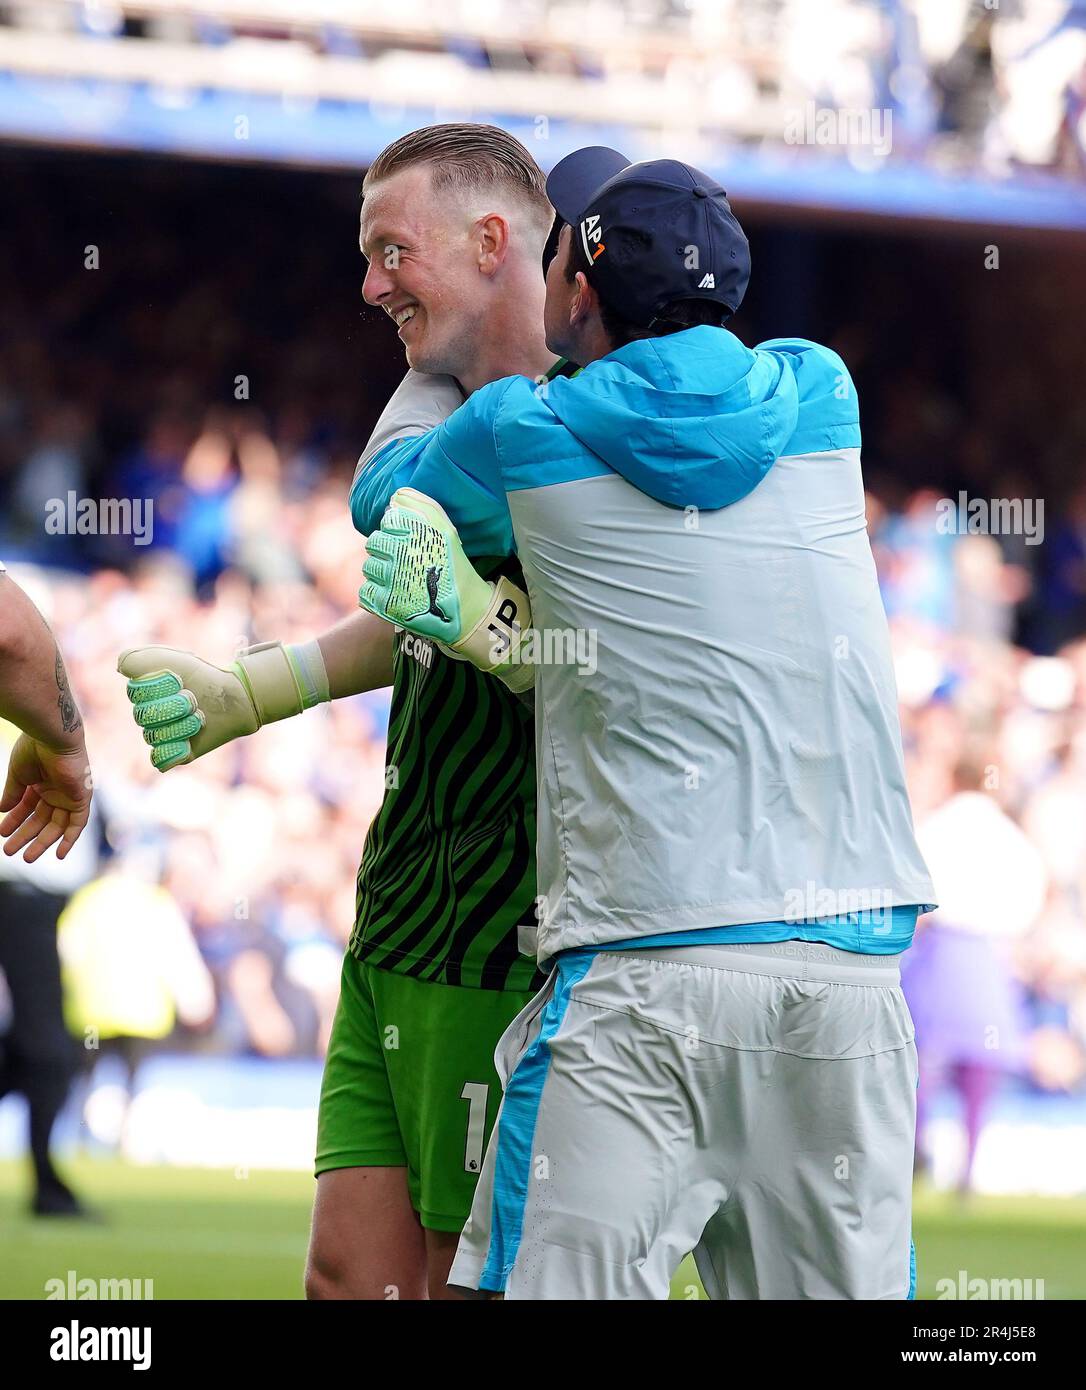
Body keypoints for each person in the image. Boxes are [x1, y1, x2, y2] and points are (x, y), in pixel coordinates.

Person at [357, 147, 937, 1299]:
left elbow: (387, 503)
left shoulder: (525, 428)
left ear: (575, 289)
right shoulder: (822, 395)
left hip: (646, 969)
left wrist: (440, 355)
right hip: (853, 974)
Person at [118, 124, 563, 1299]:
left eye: (390, 251)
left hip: (500, 931)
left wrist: (490, 628)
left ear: (490, 240)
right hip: (396, 908)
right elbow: (421, 606)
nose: (368, 286)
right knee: (343, 1279)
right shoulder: (444, 394)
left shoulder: (588, 426)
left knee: (449, 1277)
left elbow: (620, 665)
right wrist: (257, 689)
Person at [0, 561, 95, 1214]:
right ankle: (48, 1188)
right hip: (19, 888)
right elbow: (13, 633)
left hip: (40, 897)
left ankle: (48, 1182)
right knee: (45, 1048)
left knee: (41, 1050)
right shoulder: (31, 699)